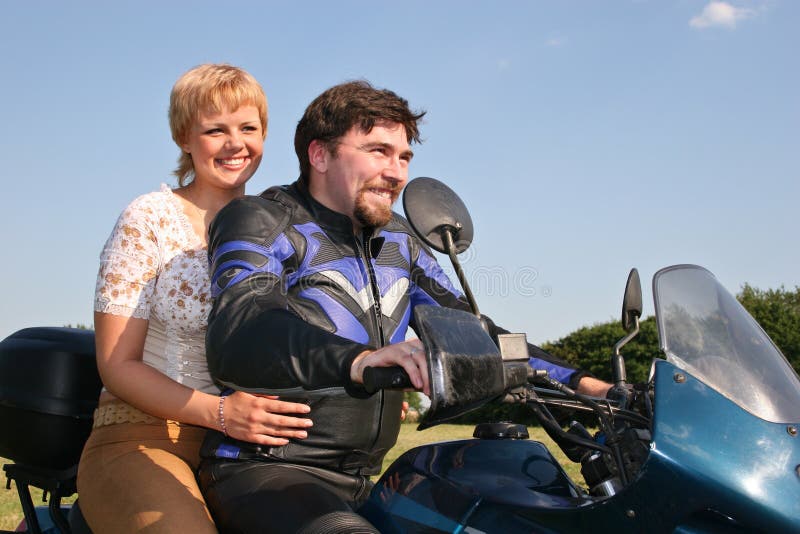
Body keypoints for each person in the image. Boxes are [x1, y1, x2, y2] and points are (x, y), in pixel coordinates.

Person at [197, 80, 610, 533]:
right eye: (378, 151)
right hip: (267, 470)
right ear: (319, 155)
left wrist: (587, 385)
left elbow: (470, 331)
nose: (397, 173)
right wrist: (360, 360)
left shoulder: (402, 239)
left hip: (368, 478)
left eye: (404, 157)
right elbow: (243, 326)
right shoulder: (261, 218)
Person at [76, 64, 313, 534]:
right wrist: (223, 414)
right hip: (141, 437)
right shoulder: (149, 218)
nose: (235, 144)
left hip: (244, 452)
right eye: (215, 130)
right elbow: (116, 364)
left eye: (248, 127)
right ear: (185, 138)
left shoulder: (284, 223)